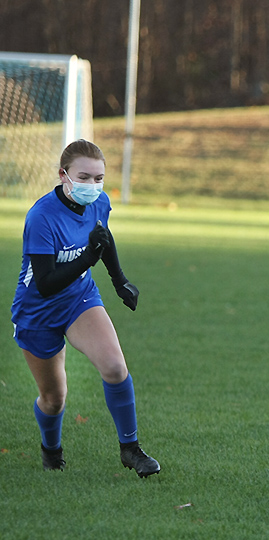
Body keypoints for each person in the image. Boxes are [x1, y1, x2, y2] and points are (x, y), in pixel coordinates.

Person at [11, 139, 160, 478]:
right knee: (54, 399)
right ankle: (51, 451)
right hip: (38, 312)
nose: (92, 186)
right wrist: (87, 259)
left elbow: (102, 238)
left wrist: (120, 280)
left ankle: (131, 449)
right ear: (63, 175)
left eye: (99, 178)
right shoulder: (41, 216)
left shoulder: (99, 202)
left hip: (79, 298)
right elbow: (46, 284)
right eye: (84, 177)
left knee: (114, 367)